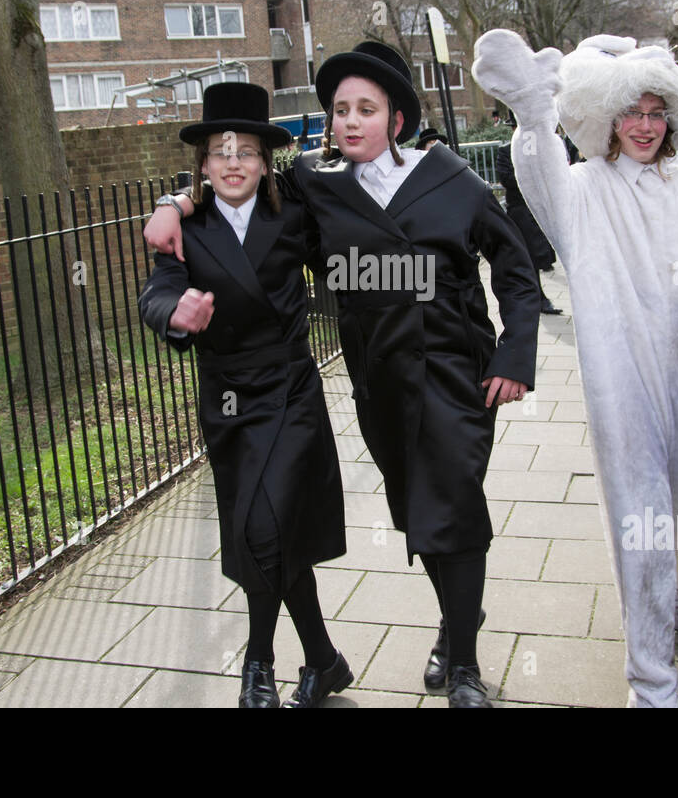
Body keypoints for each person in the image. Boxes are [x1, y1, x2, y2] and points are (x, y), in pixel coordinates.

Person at [146, 41, 541, 708]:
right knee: (418, 510)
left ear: (396, 117)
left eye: (367, 109)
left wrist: (515, 353)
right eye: (339, 111)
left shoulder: (451, 179)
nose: (350, 121)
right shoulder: (318, 186)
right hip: (379, 382)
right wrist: (170, 206)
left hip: (455, 373)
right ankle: (450, 622)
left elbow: (518, 269)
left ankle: (464, 667)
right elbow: (224, 193)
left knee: (453, 506)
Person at [472, 30, 678, 708]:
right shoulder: (584, 189)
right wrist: (534, 111)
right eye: (633, 113)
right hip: (623, 383)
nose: (646, 126)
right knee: (643, 518)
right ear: (607, 119)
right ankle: (651, 678)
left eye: (657, 113)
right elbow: (537, 176)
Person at [138, 82, 349, 708]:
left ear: (265, 160)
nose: (234, 162)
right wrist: (178, 311)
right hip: (228, 400)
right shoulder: (186, 227)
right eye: (221, 150)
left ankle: (257, 664)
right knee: (270, 530)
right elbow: (156, 293)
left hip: (290, 392)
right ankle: (323, 660)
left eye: (248, 150)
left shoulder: (293, 214)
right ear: (203, 163)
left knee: (263, 526)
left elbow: (346, 250)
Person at [496, 117, 564, 315]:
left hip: (542, 208)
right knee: (529, 257)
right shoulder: (505, 151)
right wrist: (528, 175)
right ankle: (538, 298)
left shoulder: (539, 152)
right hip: (520, 211)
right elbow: (507, 179)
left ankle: (536, 297)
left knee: (542, 254)